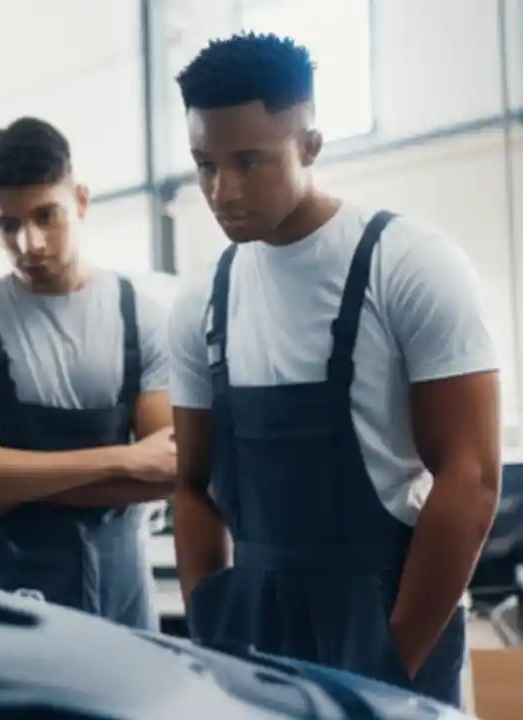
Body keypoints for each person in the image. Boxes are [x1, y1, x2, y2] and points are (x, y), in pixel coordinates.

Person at [168, 33, 500, 707]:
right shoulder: (203, 297)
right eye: (204, 164)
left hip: (391, 613)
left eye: (249, 161)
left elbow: (470, 476)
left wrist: (388, 661)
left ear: (311, 145)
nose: (221, 190)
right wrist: (211, 626)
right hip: (252, 631)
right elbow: (194, 486)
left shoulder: (408, 266)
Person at [0, 117, 178, 627]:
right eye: (7, 225)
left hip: (122, 592)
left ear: (82, 202)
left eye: (48, 216)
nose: (30, 244)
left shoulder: (142, 316)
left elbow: (166, 472)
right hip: (7, 589)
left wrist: (14, 488)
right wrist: (125, 458)